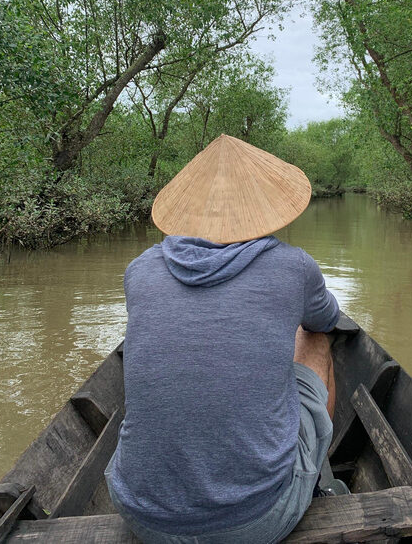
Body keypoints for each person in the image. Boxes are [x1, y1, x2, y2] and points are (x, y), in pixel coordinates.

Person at [105, 134, 343, 543]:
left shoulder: (139, 270)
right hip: (257, 522)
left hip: (141, 517)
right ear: (265, 208)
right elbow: (327, 319)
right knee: (318, 340)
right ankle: (317, 474)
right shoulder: (293, 266)